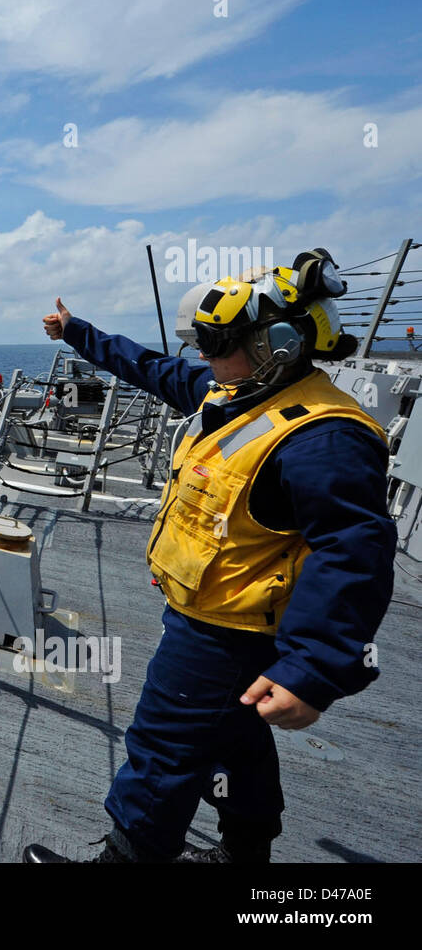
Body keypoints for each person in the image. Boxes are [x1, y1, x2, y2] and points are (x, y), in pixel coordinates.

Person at [23, 251, 396, 863]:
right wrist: (78, 333)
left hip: (225, 633)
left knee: (161, 749)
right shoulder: (236, 390)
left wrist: (315, 669)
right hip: (226, 620)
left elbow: (355, 554)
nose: (202, 355)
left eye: (215, 341)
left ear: (275, 343)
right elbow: (151, 367)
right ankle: (244, 855)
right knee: (236, 743)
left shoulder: (323, 436)